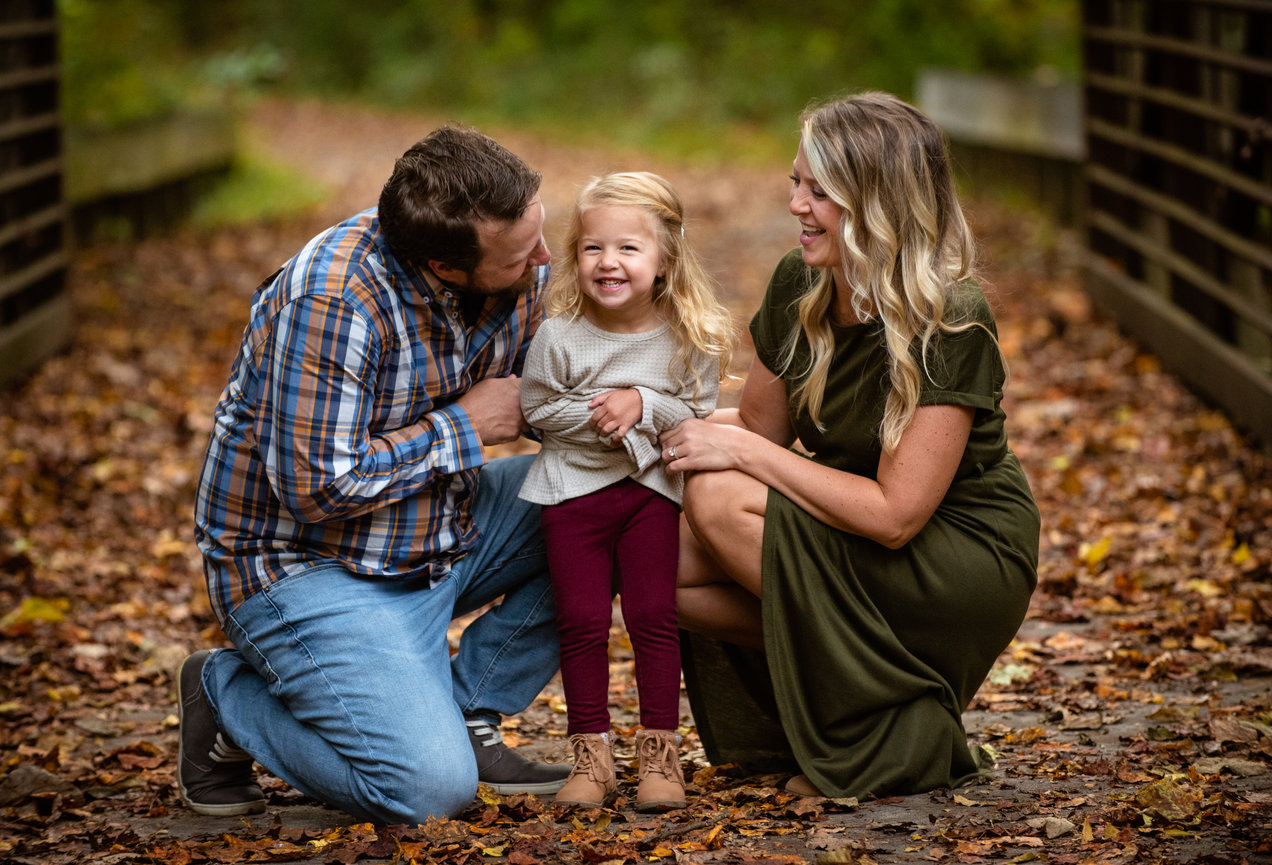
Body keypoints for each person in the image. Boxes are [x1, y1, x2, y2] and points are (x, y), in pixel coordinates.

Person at [180, 125, 572, 824]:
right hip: (309, 566)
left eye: (540, 237)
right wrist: (466, 426)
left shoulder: (518, 266)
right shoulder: (333, 300)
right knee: (426, 791)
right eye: (521, 256)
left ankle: (469, 710)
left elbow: (542, 398)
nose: (544, 259)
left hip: (435, 532)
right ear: (444, 264)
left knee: (612, 500)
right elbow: (314, 488)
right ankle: (227, 693)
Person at [661, 92, 1041, 798]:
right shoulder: (800, 281)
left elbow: (896, 515)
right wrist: (637, 431)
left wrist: (741, 459)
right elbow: (755, 427)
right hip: (852, 527)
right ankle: (884, 720)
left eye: (820, 192)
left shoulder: (949, 316)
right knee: (652, 555)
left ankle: (886, 736)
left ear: (877, 200)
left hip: (956, 550)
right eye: (796, 185)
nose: (798, 206)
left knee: (716, 494)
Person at [517, 172, 733, 810]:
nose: (608, 262)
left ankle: (660, 761)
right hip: (571, 500)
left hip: (651, 498)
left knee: (653, 619)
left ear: (665, 258)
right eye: (592, 248)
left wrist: (641, 403)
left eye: (628, 249)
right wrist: (603, 416)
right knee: (581, 623)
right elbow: (537, 411)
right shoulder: (558, 335)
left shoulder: (685, 336)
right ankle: (592, 759)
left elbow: (694, 412)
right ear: (575, 255)